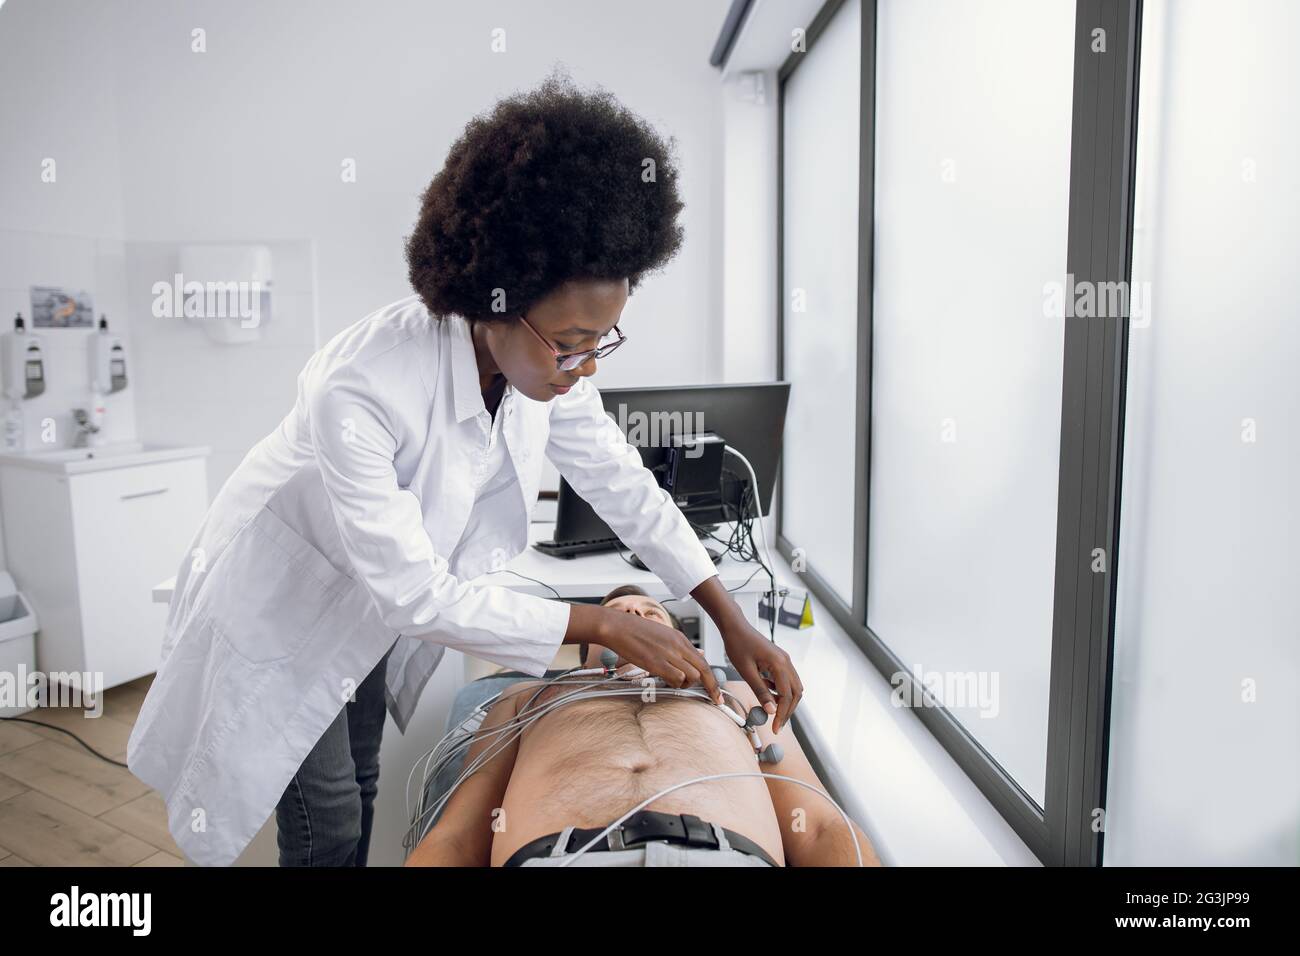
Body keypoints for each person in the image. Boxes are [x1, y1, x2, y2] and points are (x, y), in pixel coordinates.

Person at [126, 69, 802, 867]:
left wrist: (728, 617)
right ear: (495, 298)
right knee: (331, 813)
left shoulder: (544, 370)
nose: (583, 365)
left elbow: (624, 486)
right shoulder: (365, 385)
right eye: (570, 341)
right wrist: (598, 625)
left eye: (601, 342)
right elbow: (413, 593)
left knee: (366, 770)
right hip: (282, 608)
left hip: (372, 606)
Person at [406, 587, 878, 867]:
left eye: (653, 614)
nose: (637, 617)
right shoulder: (526, 698)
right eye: (618, 616)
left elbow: (818, 827)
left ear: (681, 641)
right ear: (587, 647)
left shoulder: (741, 698)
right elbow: (459, 836)